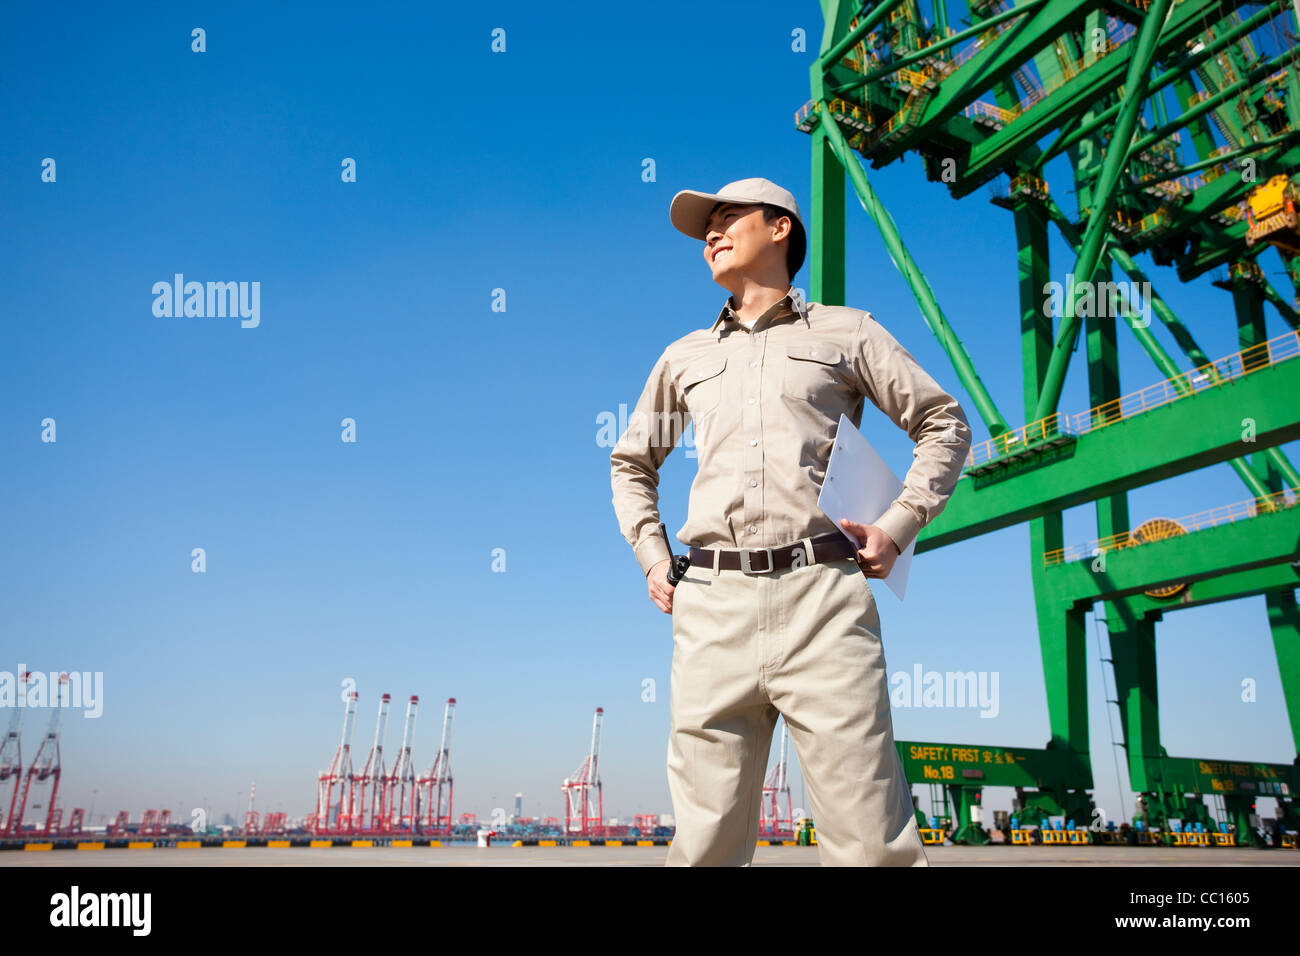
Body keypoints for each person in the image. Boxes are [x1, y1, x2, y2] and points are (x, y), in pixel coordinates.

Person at [609, 177, 972, 866]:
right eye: (705, 228)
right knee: (705, 847)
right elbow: (631, 463)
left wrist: (898, 524)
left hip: (824, 601)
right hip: (712, 606)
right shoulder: (683, 357)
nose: (710, 234)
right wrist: (654, 556)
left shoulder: (848, 331)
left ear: (780, 228)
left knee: (870, 843)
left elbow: (943, 423)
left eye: (726, 218)